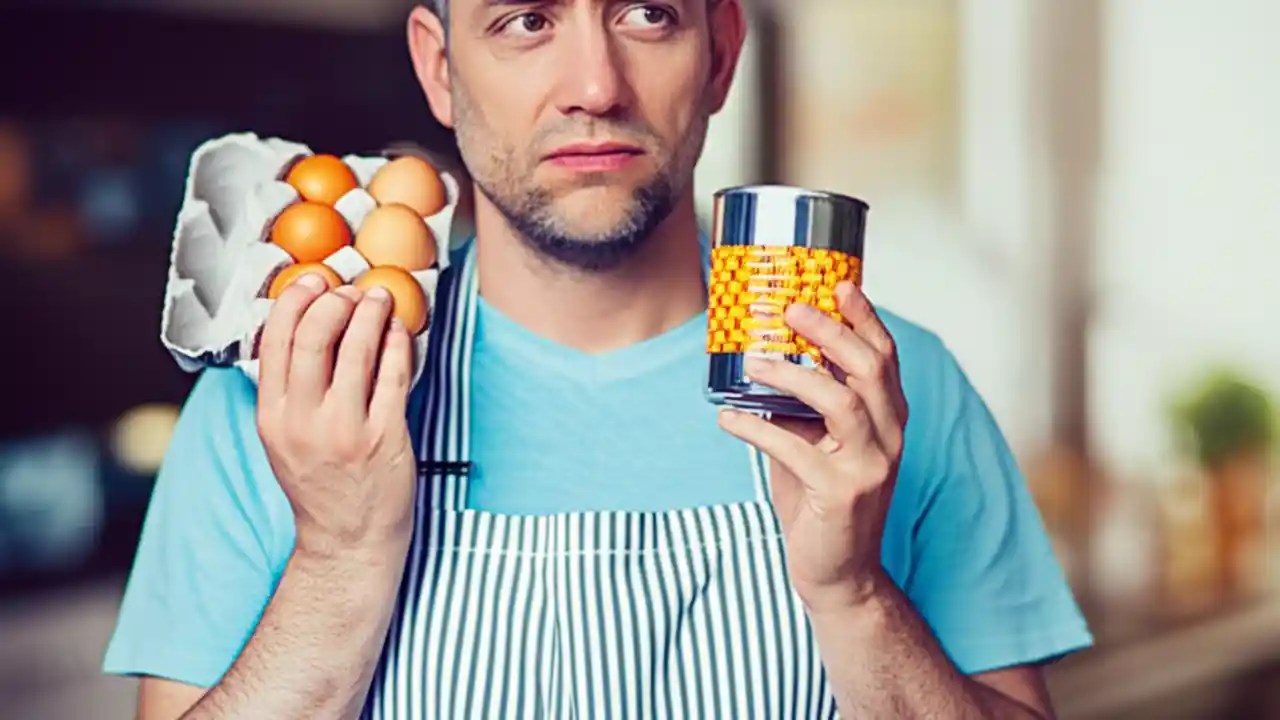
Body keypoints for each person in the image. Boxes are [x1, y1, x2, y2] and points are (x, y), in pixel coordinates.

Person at [104, 1, 1093, 718]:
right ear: (439, 66)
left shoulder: (883, 389)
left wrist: (855, 598)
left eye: (647, 15)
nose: (593, 87)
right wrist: (339, 557)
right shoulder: (285, 401)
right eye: (526, 21)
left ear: (719, 52)